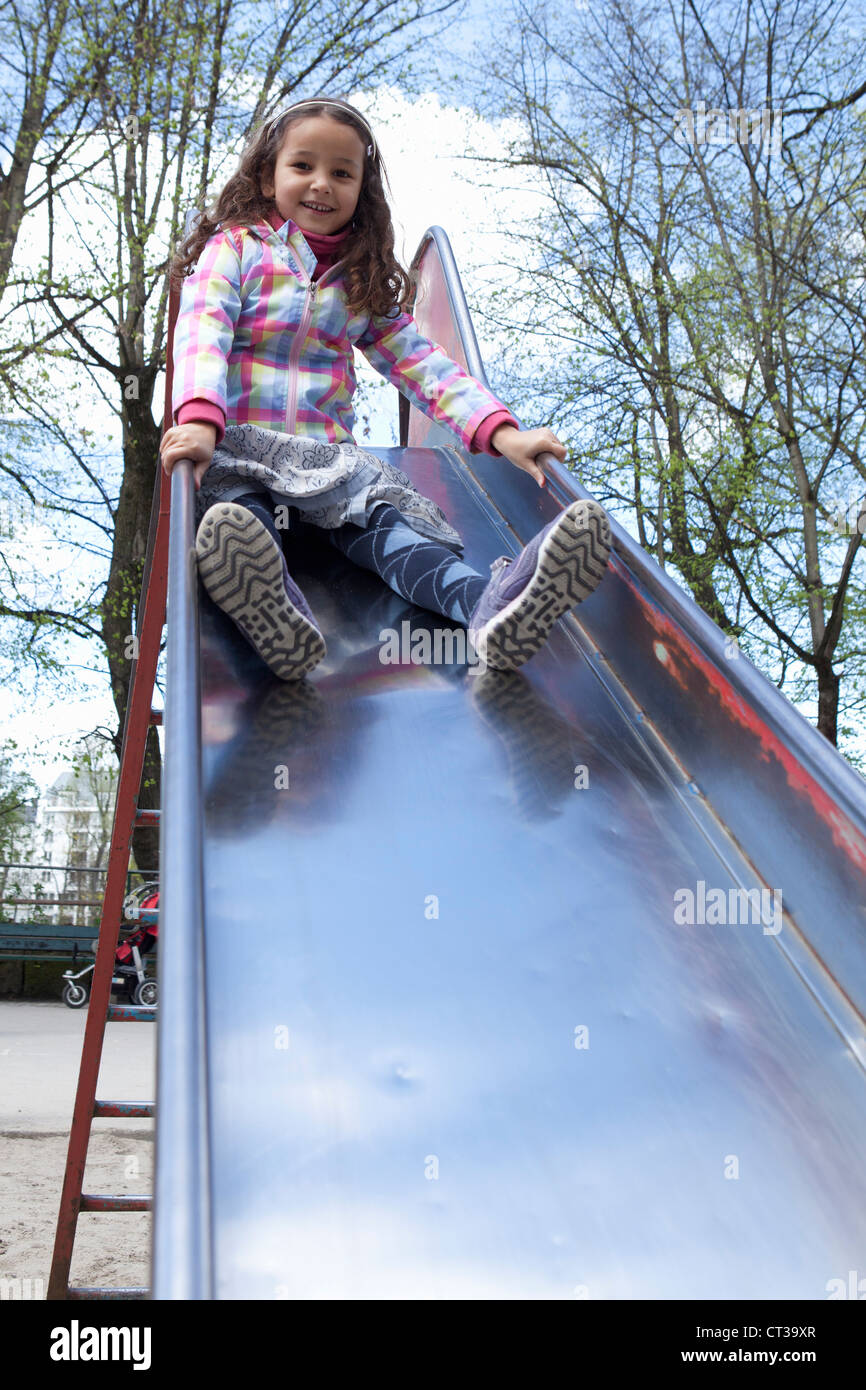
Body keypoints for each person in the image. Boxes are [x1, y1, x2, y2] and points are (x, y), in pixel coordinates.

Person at [160, 95, 611, 679]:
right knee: (236, 518)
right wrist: (198, 419)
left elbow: (422, 364)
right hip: (241, 450)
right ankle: (276, 613)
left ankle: (492, 608)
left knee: (389, 529)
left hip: (325, 464)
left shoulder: (356, 281)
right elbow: (203, 328)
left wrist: (503, 434)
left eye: (342, 173)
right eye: (303, 166)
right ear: (269, 179)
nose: (322, 183)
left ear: (361, 191)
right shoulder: (236, 250)